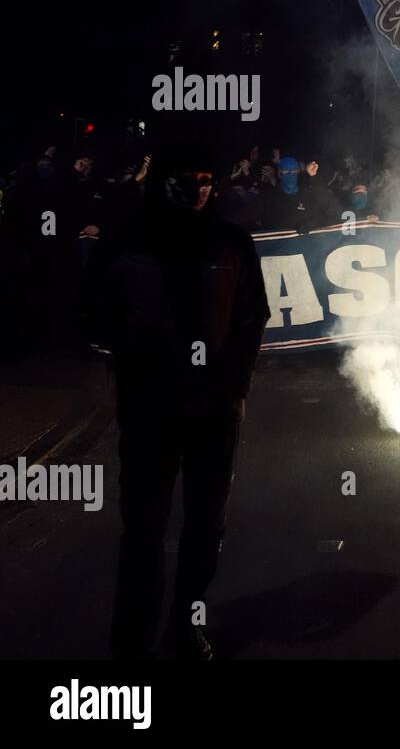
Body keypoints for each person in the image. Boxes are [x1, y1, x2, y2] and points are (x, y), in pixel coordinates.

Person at [87, 147, 270, 660]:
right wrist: (128, 356)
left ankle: (184, 625)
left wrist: (235, 388)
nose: (201, 188)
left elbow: (252, 317)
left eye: (208, 178)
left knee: (205, 524)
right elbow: (93, 311)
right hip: (149, 408)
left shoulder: (231, 242)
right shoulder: (127, 240)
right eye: (188, 179)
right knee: (144, 526)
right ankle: (132, 639)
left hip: (213, 411)